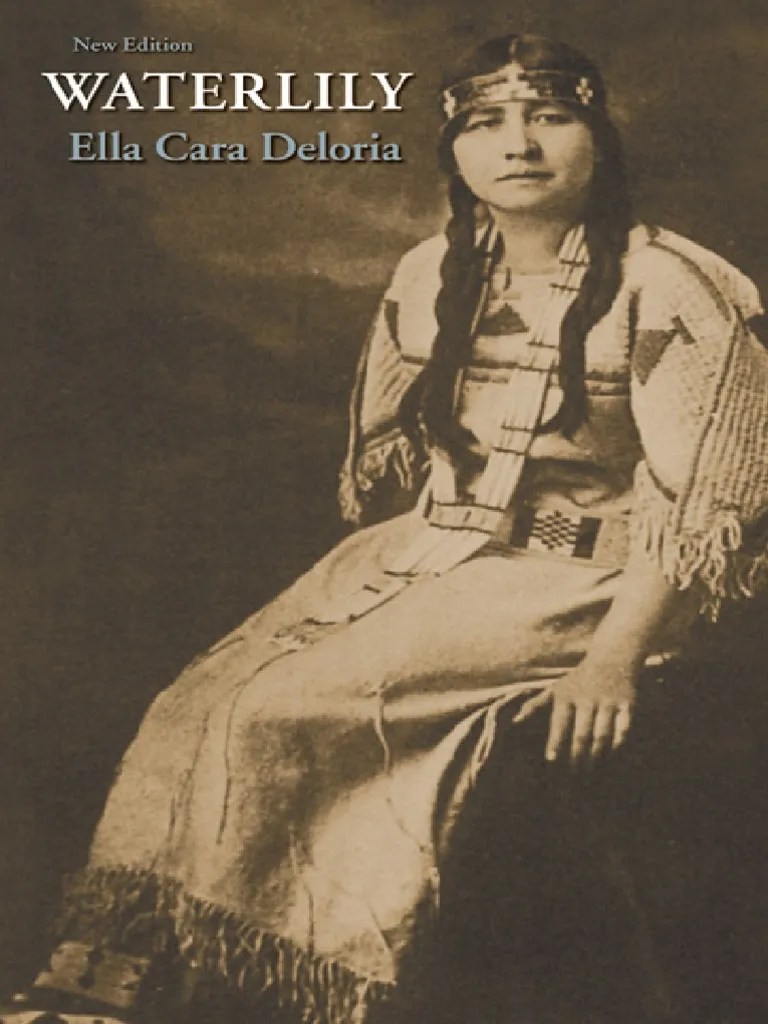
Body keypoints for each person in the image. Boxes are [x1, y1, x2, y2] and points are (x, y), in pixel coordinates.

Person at [7, 31, 768, 1024]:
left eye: (549, 116)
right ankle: (110, 974)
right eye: (486, 123)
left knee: (275, 709)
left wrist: (613, 660)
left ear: (598, 134)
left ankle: (282, 978)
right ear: (455, 149)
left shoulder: (672, 285)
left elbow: (698, 506)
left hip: (588, 578)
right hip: (432, 549)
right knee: (195, 699)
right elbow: (407, 456)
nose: (519, 144)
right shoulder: (431, 271)